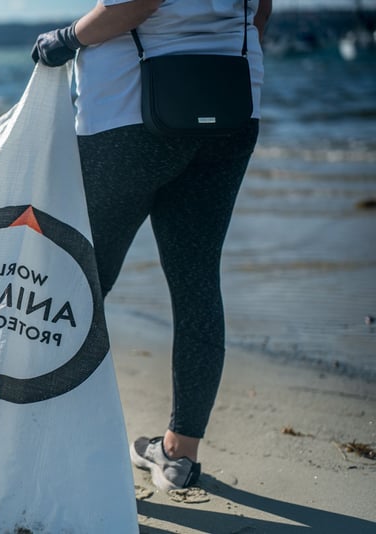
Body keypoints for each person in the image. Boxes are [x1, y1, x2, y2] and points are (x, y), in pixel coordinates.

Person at [32, 0, 271, 492]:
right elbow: (259, 11)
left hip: (129, 114)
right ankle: (179, 456)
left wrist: (67, 38)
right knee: (198, 279)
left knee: (83, 278)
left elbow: (135, 4)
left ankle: (49, 439)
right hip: (231, 102)